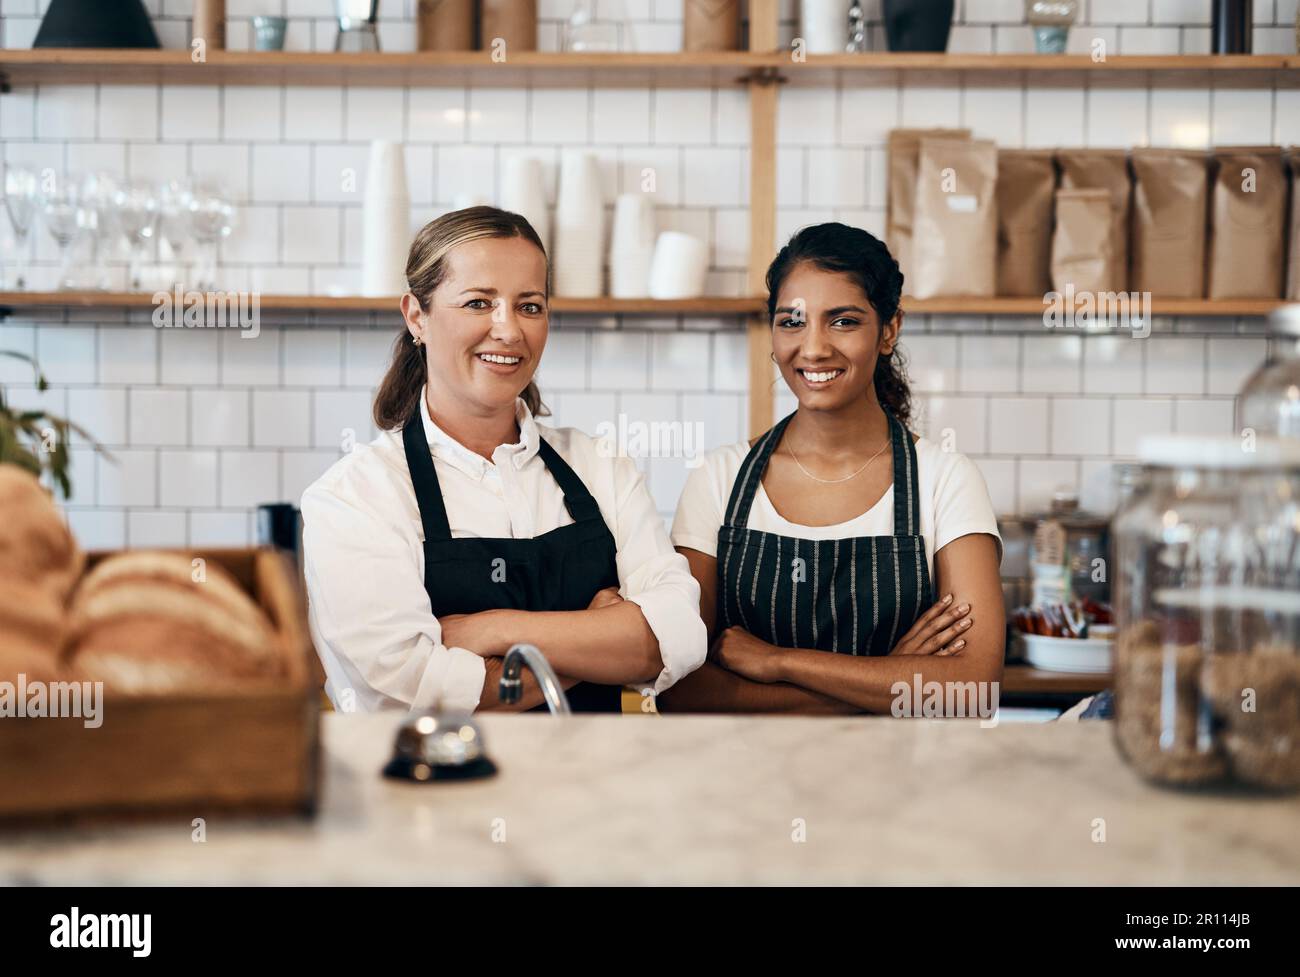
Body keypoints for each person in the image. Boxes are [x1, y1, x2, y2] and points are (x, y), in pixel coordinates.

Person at [301, 206, 706, 713]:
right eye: (478, 302)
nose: (509, 331)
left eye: (530, 306)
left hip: (594, 784)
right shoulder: (353, 497)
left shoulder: (600, 466)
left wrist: (487, 630)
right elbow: (416, 685)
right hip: (438, 790)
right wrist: (600, 640)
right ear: (416, 316)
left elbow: (677, 637)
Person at [661, 222, 1004, 714]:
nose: (815, 347)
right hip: (745, 783)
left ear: (889, 330)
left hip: (904, 785)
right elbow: (681, 688)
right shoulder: (718, 480)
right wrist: (887, 682)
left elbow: (972, 689)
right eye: (792, 322)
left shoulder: (945, 481)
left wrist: (779, 662)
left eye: (843, 321)